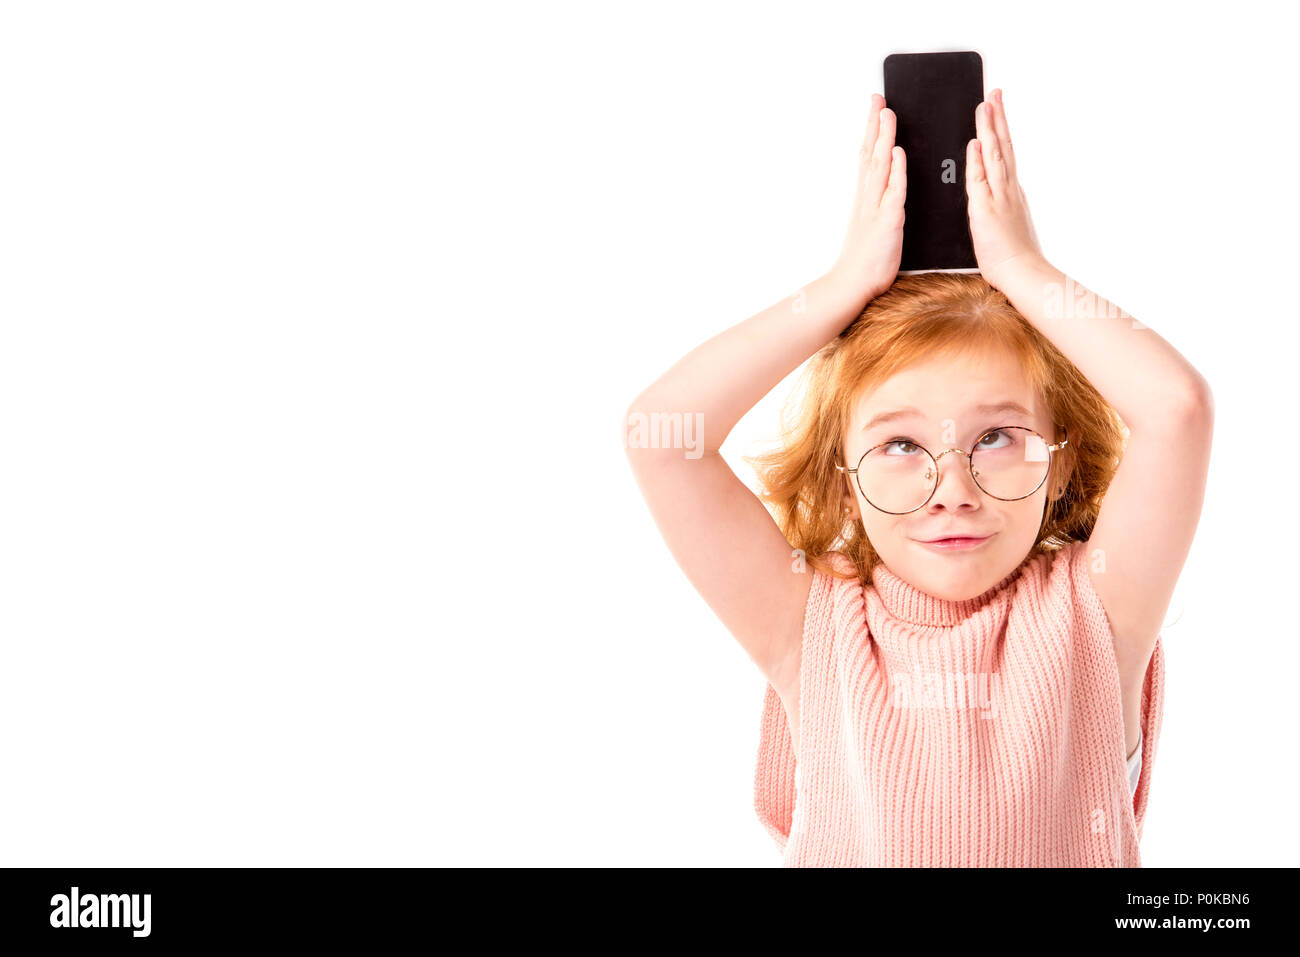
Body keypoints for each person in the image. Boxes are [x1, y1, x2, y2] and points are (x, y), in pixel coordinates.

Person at [623, 88, 1213, 866]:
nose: (953, 486)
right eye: (901, 446)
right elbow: (663, 437)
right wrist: (840, 287)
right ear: (841, 481)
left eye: (997, 436)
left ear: (1059, 462)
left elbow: (1176, 410)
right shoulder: (814, 626)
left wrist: (1023, 269)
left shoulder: (1096, 615)